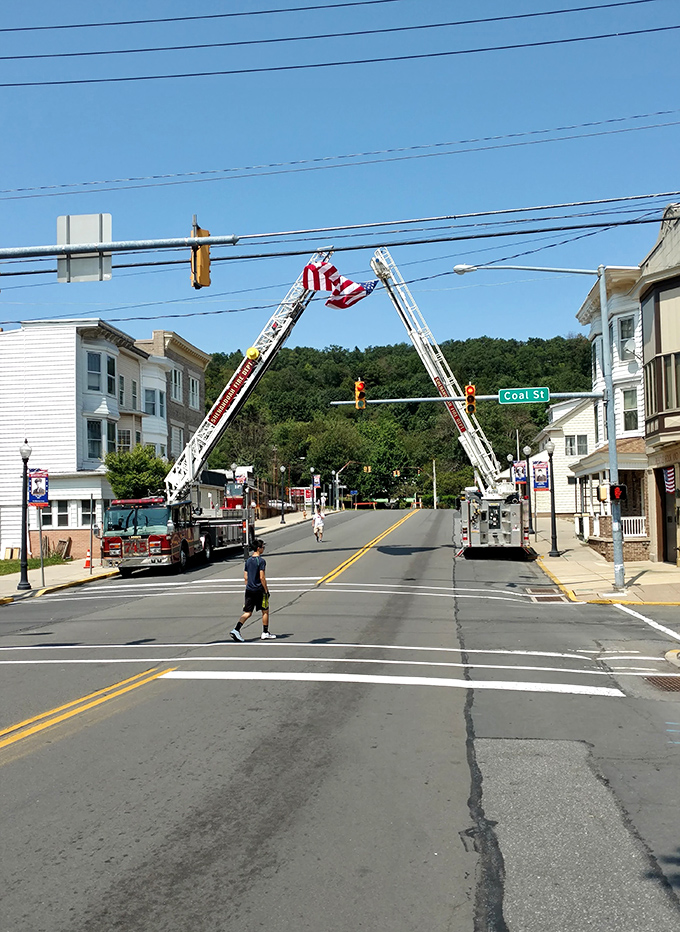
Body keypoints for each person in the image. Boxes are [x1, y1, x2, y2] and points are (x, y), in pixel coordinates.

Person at [231, 538, 275, 641]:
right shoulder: (261, 561)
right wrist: (266, 590)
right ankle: (265, 632)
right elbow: (262, 577)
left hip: (249, 590)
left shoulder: (248, 561)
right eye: (263, 547)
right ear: (258, 548)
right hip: (259, 590)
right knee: (265, 610)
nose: (263, 549)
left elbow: (245, 577)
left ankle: (236, 629)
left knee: (248, 612)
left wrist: (249, 586)